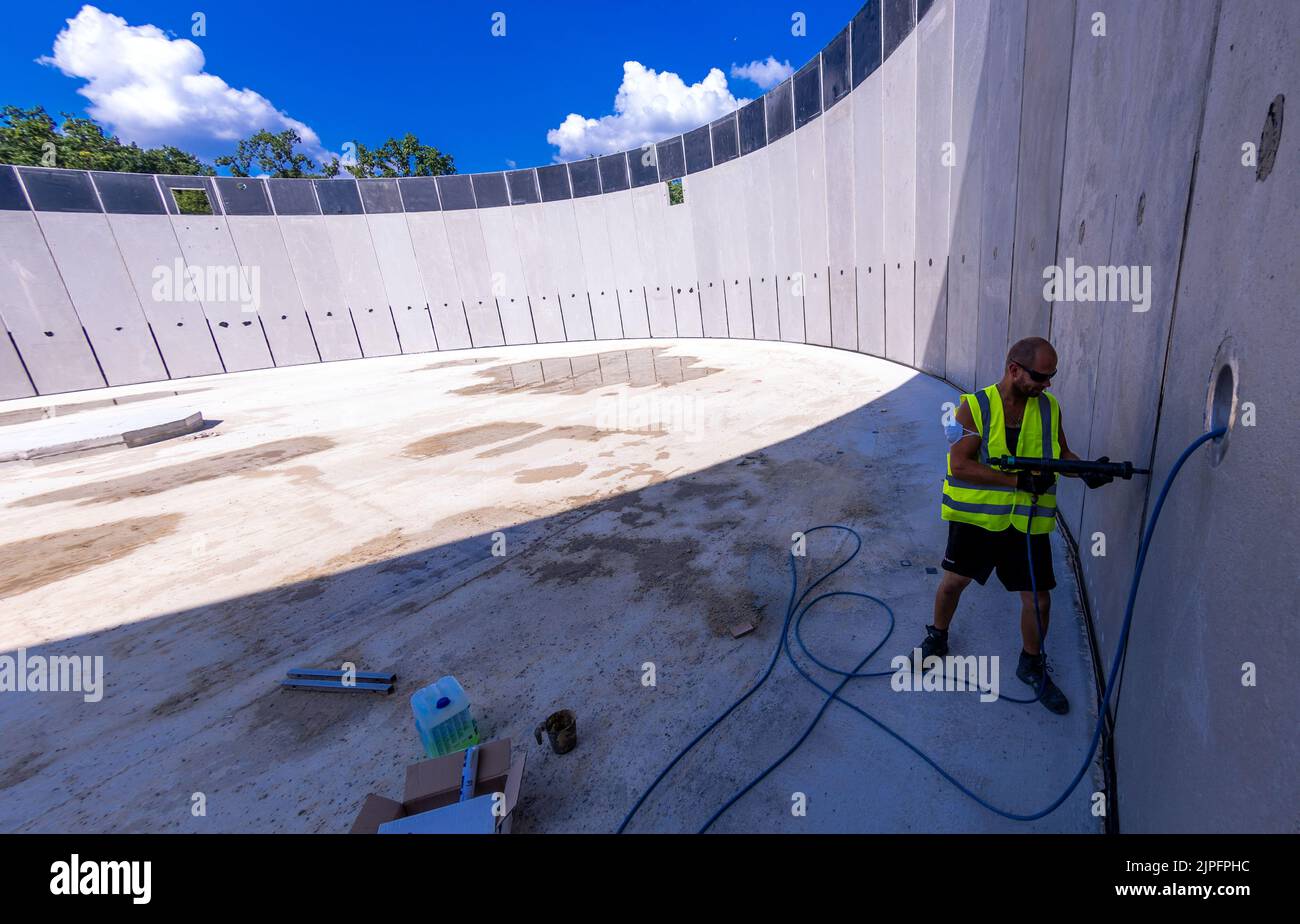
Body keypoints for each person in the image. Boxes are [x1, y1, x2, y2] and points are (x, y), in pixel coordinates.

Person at [923, 337, 1113, 714]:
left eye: (1051, 377)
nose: (1047, 384)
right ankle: (938, 637)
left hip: (1026, 523)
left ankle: (1031, 663)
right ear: (1014, 369)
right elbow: (959, 464)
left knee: (1039, 599)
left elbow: (1060, 453)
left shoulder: (1048, 408)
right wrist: (1018, 482)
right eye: (1041, 376)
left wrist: (1086, 470)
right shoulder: (974, 407)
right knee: (953, 584)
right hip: (977, 521)